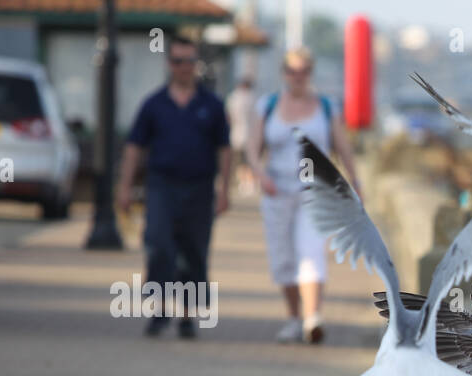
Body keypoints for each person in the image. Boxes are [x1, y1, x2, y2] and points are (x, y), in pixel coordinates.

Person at [117, 37, 230, 338]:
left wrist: (225, 189)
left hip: (200, 187)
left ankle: (187, 316)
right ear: (169, 64)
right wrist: (125, 186)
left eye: (190, 61)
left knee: (194, 250)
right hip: (162, 186)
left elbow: (225, 149)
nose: (184, 67)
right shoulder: (154, 104)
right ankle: (159, 310)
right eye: (178, 61)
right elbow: (134, 147)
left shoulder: (212, 105)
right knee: (159, 245)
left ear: (197, 65)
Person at [247, 47, 361, 344]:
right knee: (283, 258)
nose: (297, 78)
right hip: (277, 191)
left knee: (310, 251)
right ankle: (294, 318)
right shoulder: (267, 105)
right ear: (284, 74)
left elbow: (343, 147)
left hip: (314, 191)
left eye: (304, 72)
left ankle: (313, 317)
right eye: (292, 72)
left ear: (311, 74)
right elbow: (252, 148)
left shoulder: (326, 107)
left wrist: (355, 181)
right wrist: (260, 174)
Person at [226, 76, 256, 196]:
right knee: (248, 161)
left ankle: (241, 182)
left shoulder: (233, 97)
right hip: (250, 134)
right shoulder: (252, 97)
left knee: (238, 161)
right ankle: (248, 183)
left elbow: (229, 117)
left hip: (236, 134)